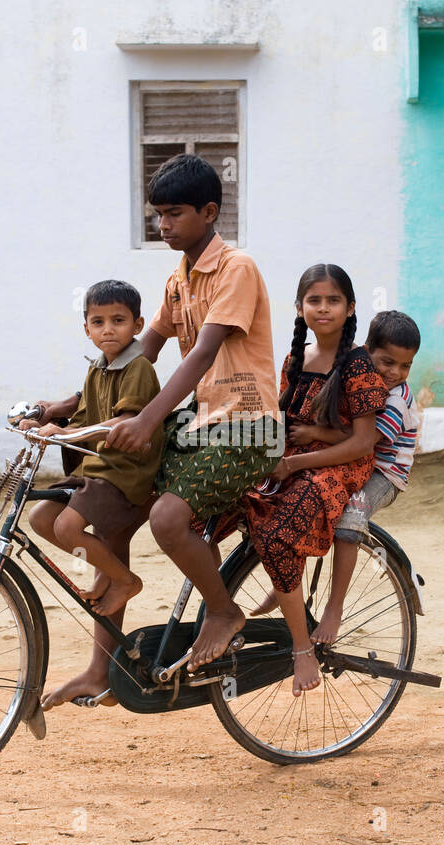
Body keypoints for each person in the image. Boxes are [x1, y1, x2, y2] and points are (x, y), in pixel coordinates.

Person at [98, 154, 283, 675]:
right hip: (202, 425)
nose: (163, 226)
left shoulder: (236, 269)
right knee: (115, 493)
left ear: (209, 211)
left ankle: (224, 612)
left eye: (174, 213)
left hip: (250, 428)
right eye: (158, 215)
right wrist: (73, 404)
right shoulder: (178, 280)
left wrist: (147, 419)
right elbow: (141, 350)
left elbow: (201, 353)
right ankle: (103, 661)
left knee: (167, 517)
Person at [211, 264, 389, 696]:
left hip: (341, 465)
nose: (323, 308)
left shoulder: (358, 366)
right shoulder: (297, 358)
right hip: (297, 454)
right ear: (299, 307)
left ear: (349, 309)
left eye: (333, 300)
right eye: (314, 300)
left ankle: (301, 647)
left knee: (278, 528)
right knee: (220, 505)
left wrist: (293, 465)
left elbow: (363, 443)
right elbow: (284, 420)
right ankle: (275, 584)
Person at [21, 280, 163, 709]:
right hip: (95, 468)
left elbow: (116, 427)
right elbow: (83, 416)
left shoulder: (138, 368)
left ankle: (123, 579)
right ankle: (108, 569)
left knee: (66, 524)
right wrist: (48, 422)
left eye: (118, 321)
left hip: (125, 472)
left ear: (137, 325)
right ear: (86, 328)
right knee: (41, 519)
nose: (108, 330)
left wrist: (60, 432)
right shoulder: (98, 367)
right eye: (98, 322)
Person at [293, 310, 421, 645]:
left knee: (350, 518)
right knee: (309, 494)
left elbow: (365, 440)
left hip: (384, 473)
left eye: (405, 366)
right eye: (387, 362)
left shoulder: (398, 400)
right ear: (367, 351)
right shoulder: (359, 375)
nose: (395, 373)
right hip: (359, 460)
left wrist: (315, 433)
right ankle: (288, 580)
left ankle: (334, 609)